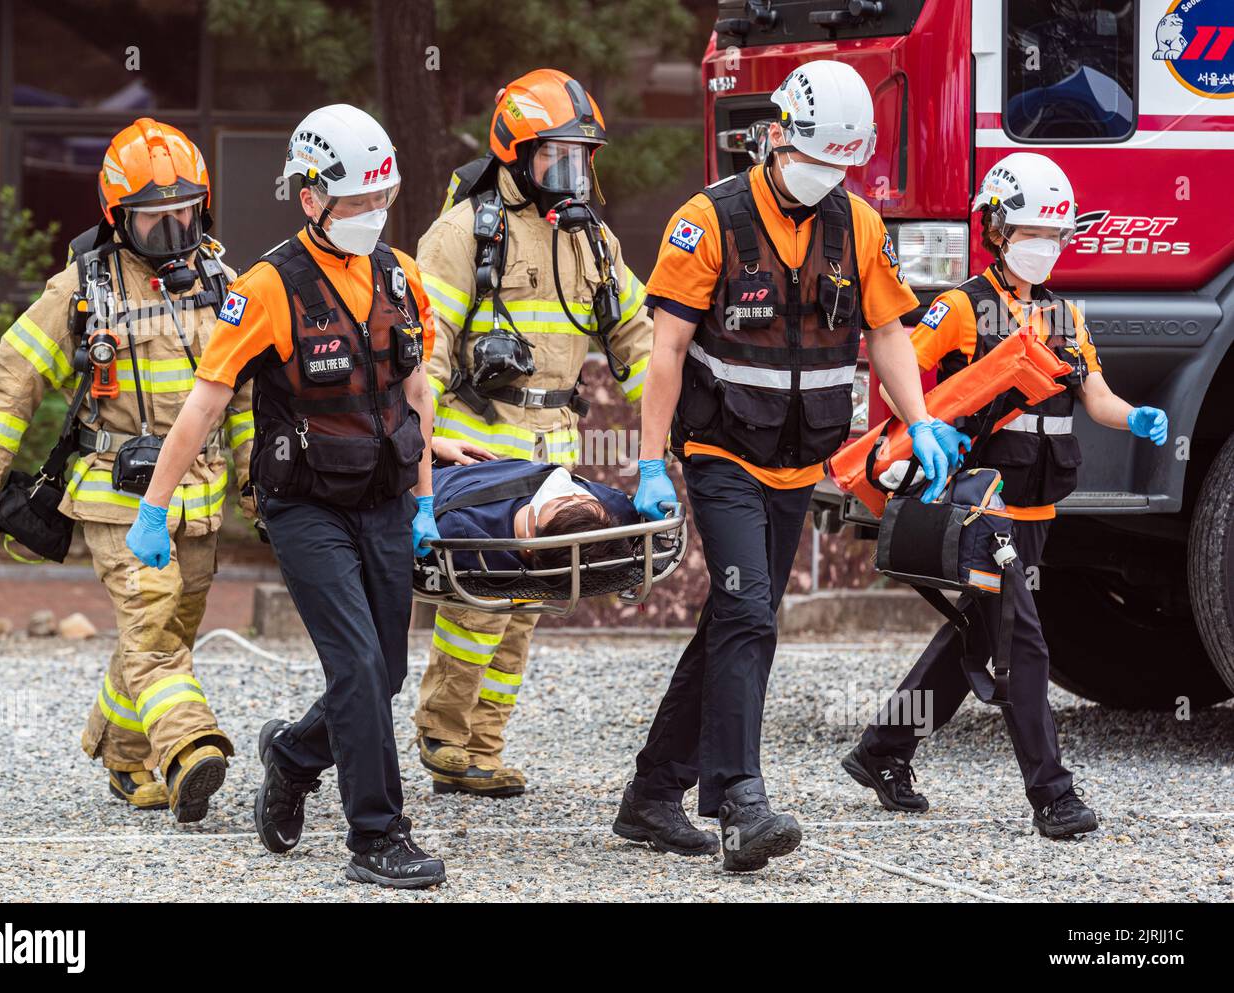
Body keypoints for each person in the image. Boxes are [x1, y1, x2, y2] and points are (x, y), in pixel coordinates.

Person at [613, 60, 961, 872]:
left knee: (735, 618)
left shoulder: (857, 225)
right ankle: (740, 799)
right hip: (723, 450)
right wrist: (648, 462)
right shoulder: (710, 220)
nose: (828, 177)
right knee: (752, 616)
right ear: (775, 137)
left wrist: (922, 421)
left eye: (842, 164)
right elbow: (665, 346)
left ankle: (652, 794)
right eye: (817, 159)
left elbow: (887, 333)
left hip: (797, 460)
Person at [124, 105, 446, 888]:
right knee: (360, 665)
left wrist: (428, 495)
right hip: (305, 506)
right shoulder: (267, 288)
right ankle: (377, 834)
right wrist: (154, 507)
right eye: (357, 202)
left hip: (385, 498)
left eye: (383, 199)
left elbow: (415, 389)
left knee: (388, 673)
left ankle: (294, 754)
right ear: (310, 198)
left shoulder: (399, 276)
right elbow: (203, 405)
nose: (373, 215)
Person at [844, 152, 1169, 839]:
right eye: (1030, 232)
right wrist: (922, 437)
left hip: (1037, 511)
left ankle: (882, 749)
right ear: (995, 229)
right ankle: (1053, 795)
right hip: (982, 507)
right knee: (1023, 641)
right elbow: (899, 370)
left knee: (979, 632)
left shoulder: (1064, 315)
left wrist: (1134, 415)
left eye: (1055, 234)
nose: (1043, 247)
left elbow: (1096, 394)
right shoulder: (960, 307)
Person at [0, 118, 252, 822]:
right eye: (154, 219)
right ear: (118, 218)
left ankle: (122, 754)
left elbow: (246, 398)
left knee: (164, 633)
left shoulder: (223, 282)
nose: (174, 229)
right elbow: (12, 376)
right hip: (117, 499)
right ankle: (189, 748)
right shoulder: (81, 291)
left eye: (185, 212)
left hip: (199, 499)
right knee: (152, 623)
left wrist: (255, 482)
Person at [412, 68, 653, 798]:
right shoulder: (461, 235)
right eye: (558, 154)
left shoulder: (592, 241)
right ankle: (442, 733)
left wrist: (668, 439)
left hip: (554, 449)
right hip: (480, 448)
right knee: (478, 604)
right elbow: (425, 350)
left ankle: (482, 748)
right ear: (515, 153)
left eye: (583, 155)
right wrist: (420, 450)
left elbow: (638, 339)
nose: (574, 172)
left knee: (528, 608)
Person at [428, 456, 639, 574]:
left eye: (561, 501)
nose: (570, 490)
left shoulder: (462, 529)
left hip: (422, 474)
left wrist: (432, 446)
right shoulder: (612, 510)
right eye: (581, 496)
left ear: (531, 543)